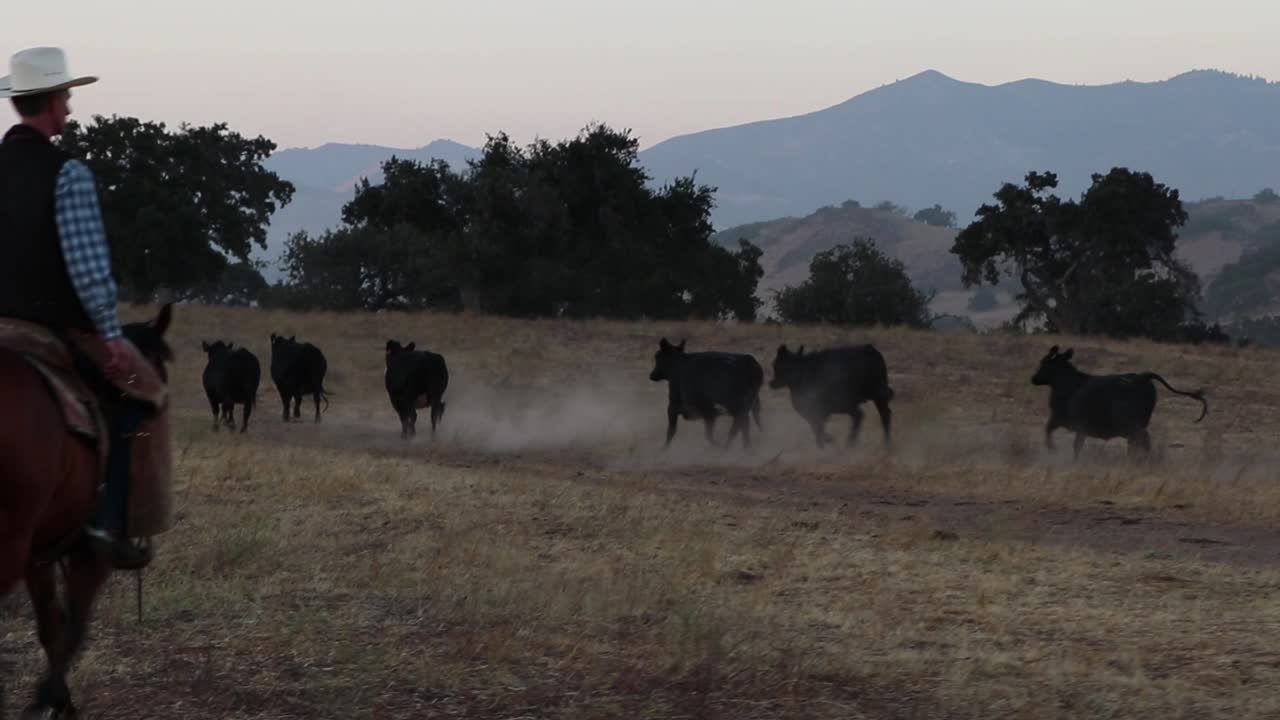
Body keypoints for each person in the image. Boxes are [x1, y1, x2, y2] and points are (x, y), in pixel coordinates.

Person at [0, 47, 150, 568]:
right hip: (47, 328)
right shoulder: (69, 175)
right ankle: (110, 525)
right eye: (65, 94)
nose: (69, 104)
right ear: (50, 103)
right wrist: (111, 336)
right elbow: (87, 269)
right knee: (137, 399)